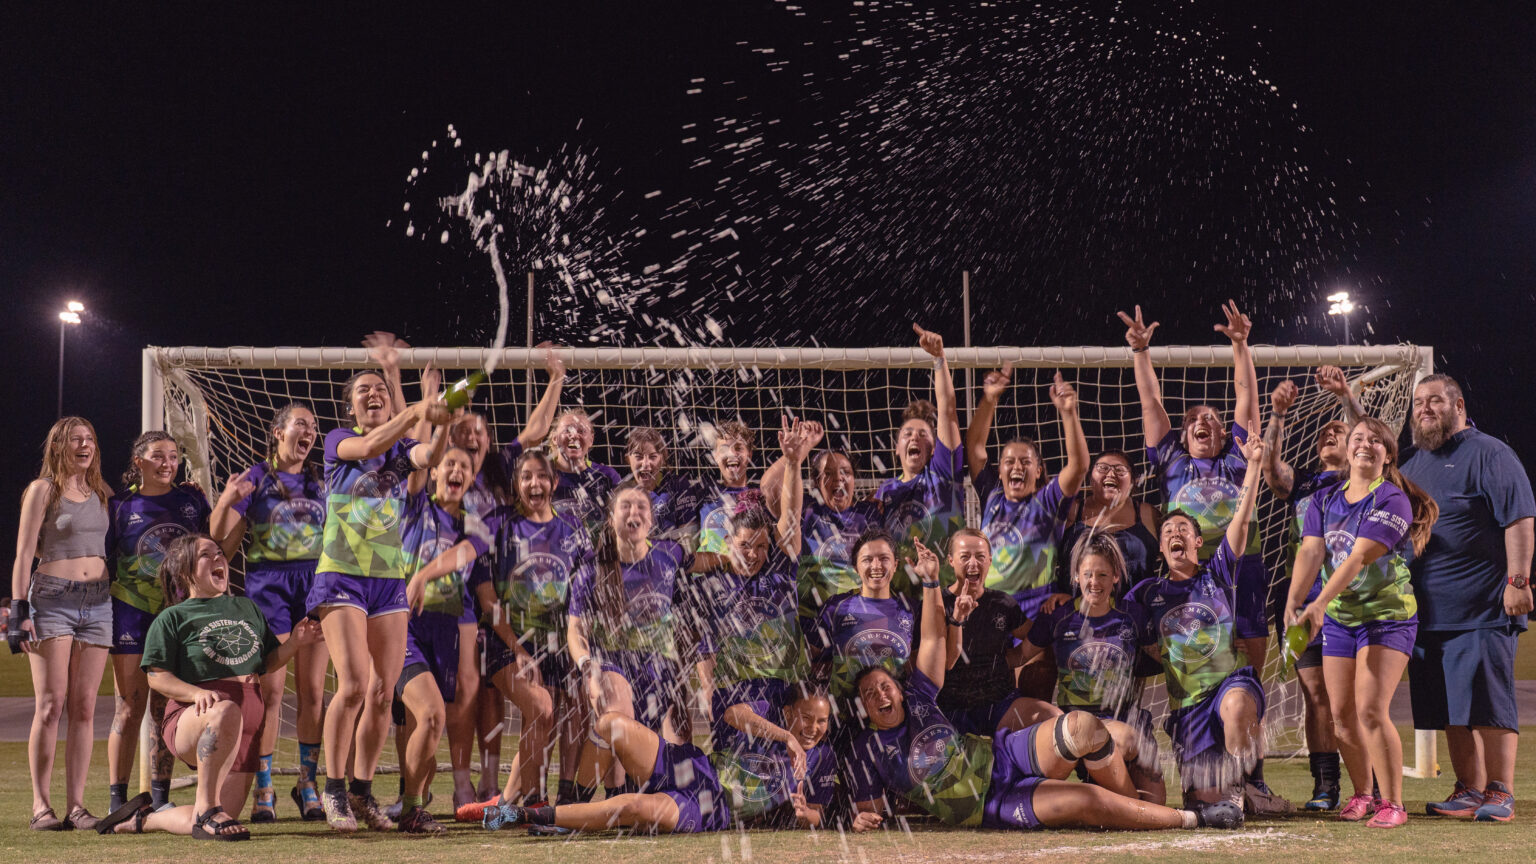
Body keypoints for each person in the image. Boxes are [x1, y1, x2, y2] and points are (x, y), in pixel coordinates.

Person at [845, 538, 1244, 833]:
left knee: (1084, 726)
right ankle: (1194, 817)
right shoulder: (867, 748)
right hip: (992, 805)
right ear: (862, 708)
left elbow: (934, 642)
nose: (880, 694)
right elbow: (870, 811)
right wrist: (862, 818)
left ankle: (1132, 809)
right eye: (868, 694)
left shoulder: (918, 695)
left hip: (1002, 756)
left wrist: (931, 582)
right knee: (1087, 803)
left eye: (884, 686)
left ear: (899, 688)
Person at [1119, 302, 1288, 814]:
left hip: (1244, 572)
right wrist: (1141, 353)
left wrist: (1241, 346)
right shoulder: (1171, 462)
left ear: (1222, 435)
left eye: (1211, 421)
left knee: (1245, 680)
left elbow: (1244, 397)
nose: (1202, 424)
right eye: (1194, 420)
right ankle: (1211, 765)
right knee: (1203, 663)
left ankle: (1251, 780)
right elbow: (1151, 403)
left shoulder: (1240, 459)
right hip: (1190, 582)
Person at [308, 349, 454, 832]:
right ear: (350, 406)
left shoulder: (398, 450)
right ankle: (332, 792)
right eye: (364, 390)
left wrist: (441, 414)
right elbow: (369, 447)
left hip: (386, 580)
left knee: (380, 691)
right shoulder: (339, 441)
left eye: (382, 389)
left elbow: (427, 456)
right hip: (342, 574)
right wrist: (416, 409)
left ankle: (362, 792)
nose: (374, 394)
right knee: (350, 686)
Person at [97, 534, 322, 840]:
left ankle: (143, 819)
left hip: (245, 728)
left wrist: (295, 643)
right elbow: (157, 677)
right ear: (186, 571)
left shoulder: (247, 608)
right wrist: (196, 693)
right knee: (224, 714)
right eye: (207, 555)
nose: (219, 559)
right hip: (197, 719)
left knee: (218, 813)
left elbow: (266, 662)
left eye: (220, 553)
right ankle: (205, 809)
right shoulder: (172, 618)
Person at [1288, 418, 1438, 828]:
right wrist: (1293, 603)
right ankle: (1363, 794)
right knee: (1342, 715)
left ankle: (1394, 804)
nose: (1364, 445)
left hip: (1387, 617)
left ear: (1387, 455)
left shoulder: (1393, 500)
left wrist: (1317, 603)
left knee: (1371, 708)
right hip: (1342, 617)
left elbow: (1357, 558)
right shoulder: (1324, 498)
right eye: (1358, 438)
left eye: (1376, 441)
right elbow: (1310, 553)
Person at [1401, 374, 1534, 823]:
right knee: (1448, 707)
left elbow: (1518, 518)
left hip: (1481, 607)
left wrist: (1518, 581)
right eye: (1419, 402)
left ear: (1458, 404)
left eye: (1434, 401)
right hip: (1428, 613)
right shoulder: (1414, 463)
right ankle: (1469, 789)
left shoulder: (1489, 452)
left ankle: (1500, 791)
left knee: (1487, 702)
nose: (1424, 408)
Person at [1129, 434, 1276, 814]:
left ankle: (1245, 785)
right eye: (1167, 532)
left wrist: (1255, 465)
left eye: (1183, 531)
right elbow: (1122, 631)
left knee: (1238, 704)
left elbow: (1242, 518)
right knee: (1205, 809)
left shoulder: (1219, 572)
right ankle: (1230, 793)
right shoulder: (1146, 594)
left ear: (1198, 542)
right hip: (1188, 704)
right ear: (1161, 548)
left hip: (1228, 684)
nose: (1175, 534)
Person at [448, 449, 593, 819]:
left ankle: (516, 802)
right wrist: (517, 647)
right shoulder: (498, 526)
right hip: (505, 641)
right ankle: (533, 803)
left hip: (558, 642)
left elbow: (587, 590)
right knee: (541, 707)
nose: (535, 483)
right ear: (516, 484)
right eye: (526, 476)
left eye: (542, 476)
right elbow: (486, 596)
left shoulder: (574, 530)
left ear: (555, 482)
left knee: (562, 714)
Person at [448, 343, 565, 804]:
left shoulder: (500, 466)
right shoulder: (447, 469)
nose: (474, 437)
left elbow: (536, 429)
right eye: (464, 430)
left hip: (496, 587)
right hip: (458, 591)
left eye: (480, 431)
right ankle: (465, 783)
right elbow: (429, 419)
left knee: (497, 695)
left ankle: (497, 784)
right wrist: (471, 378)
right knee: (468, 694)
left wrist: (555, 378)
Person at [481, 689, 837, 834]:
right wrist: (785, 736)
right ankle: (570, 808)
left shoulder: (824, 756)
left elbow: (820, 812)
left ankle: (529, 815)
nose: (814, 728)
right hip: (693, 766)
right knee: (610, 724)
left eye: (822, 722)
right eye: (806, 718)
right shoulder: (770, 715)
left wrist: (807, 815)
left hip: (710, 808)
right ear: (789, 712)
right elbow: (732, 713)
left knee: (635, 807)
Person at [207, 402, 329, 821]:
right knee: (271, 694)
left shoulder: (321, 481)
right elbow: (217, 537)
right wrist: (226, 500)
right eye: (300, 424)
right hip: (269, 592)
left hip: (314, 590)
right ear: (278, 432)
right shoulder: (255, 478)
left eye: (313, 427)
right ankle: (264, 787)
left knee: (314, 692)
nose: (309, 432)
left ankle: (307, 783)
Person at [681, 418, 813, 773]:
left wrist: (795, 462)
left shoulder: (780, 571)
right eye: (744, 546)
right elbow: (705, 646)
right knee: (739, 780)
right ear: (727, 544)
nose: (752, 554)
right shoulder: (715, 584)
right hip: (738, 696)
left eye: (759, 546)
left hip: (778, 689)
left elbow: (791, 516)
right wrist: (708, 691)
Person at [1264, 367, 1365, 811]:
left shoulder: (1364, 485)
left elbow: (1371, 436)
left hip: (1355, 606)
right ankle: (1326, 786)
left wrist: (1346, 396)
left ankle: (1371, 784)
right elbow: (1270, 470)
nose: (1330, 434)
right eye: (1325, 432)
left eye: (1339, 431)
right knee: (1316, 697)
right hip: (1303, 608)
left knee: (1356, 699)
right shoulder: (1305, 483)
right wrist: (1278, 417)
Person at [8, 417, 113, 830]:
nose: (84, 445)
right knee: (51, 705)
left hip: (99, 602)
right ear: (58, 446)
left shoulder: (101, 492)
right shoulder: (43, 490)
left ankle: (77, 807)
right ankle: (40, 807)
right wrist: (19, 610)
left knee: (84, 708)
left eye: (90, 438)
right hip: (52, 599)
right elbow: (22, 552)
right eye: (75, 439)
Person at [568, 485, 704, 796]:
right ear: (610, 517)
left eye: (641, 506)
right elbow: (575, 629)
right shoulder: (592, 566)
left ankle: (620, 796)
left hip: (660, 673)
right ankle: (573, 800)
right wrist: (587, 666)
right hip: (613, 663)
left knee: (670, 774)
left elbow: (704, 561)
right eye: (625, 506)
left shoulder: (671, 554)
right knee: (617, 714)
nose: (634, 512)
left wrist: (732, 560)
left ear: (652, 519)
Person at [104, 431, 213, 815]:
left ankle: (162, 798)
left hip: (177, 617)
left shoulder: (192, 501)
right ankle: (119, 800)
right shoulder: (118, 507)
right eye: (158, 456)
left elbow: (211, 552)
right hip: (131, 611)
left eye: (173, 456)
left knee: (164, 708)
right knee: (129, 707)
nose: (168, 463)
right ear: (139, 462)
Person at [1022, 532, 1165, 804]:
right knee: (1122, 741)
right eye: (1087, 574)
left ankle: (1101, 789)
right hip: (1073, 726)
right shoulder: (1058, 616)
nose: (1094, 582)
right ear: (1076, 576)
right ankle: (1127, 806)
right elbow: (1019, 656)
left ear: (1115, 577)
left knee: (1155, 798)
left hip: (1121, 719)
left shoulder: (1132, 616)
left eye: (1102, 575)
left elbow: (1165, 657)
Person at [386, 445, 485, 834]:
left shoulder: (478, 523)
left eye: (465, 466)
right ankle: (410, 804)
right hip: (403, 623)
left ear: (472, 479)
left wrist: (422, 576)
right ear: (435, 473)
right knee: (427, 714)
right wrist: (433, 409)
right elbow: (418, 460)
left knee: (424, 723)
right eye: (449, 464)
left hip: (446, 628)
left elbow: (464, 552)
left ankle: (416, 799)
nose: (457, 470)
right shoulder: (414, 505)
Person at [965, 366, 1089, 620]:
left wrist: (1068, 413)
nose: (1017, 466)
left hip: (1035, 611)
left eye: (1025, 462)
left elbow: (1078, 467)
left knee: (1032, 662)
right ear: (999, 471)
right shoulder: (992, 495)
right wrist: (989, 399)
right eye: (1009, 462)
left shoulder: (1047, 501)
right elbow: (974, 447)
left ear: (1039, 470)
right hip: (991, 606)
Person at [759, 422, 883, 631]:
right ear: (816, 482)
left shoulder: (869, 513)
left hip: (857, 619)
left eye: (846, 472)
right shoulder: (806, 511)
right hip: (811, 621)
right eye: (829, 473)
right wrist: (798, 454)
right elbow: (769, 490)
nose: (839, 478)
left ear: (854, 479)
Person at [937, 528, 1058, 736]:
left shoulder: (1002, 603)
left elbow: (1035, 638)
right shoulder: (937, 604)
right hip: (950, 709)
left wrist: (1058, 606)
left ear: (990, 561)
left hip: (999, 704)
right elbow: (937, 664)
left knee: (1055, 720)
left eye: (980, 556)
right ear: (951, 560)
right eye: (965, 556)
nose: (973, 563)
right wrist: (956, 619)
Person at [876, 324, 964, 591]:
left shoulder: (942, 475)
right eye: (908, 434)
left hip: (943, 592)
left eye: (923, 434)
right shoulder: (884, 492)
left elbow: (948, 412)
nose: (914, 438)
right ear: (896, 446)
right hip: (898, 600)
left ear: (935, 446)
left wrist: (939, 359)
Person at [807, 528, 916, 707]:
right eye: (867, 560)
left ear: (895, 565)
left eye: (884, 558)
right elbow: (815, 660)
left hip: (893, 712)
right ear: (856, 568)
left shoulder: (910, 609)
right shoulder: (836, 607)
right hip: (845, 716)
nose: (876, 566)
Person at [1059, 450, 1159, 596]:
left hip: (1138, 613)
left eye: (1120, 470)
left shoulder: (1148, 514)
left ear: (1132, 481)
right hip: (1078, 612)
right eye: (1102, 468)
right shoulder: (1071, 511)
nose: (1111, 474)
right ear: (1090, 477)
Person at [624, 426, 706, 543]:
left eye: (653, 457)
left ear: (662, 459)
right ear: (628, 459)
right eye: (639, 457)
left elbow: (690, 541)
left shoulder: (677, 485)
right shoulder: (623, 494)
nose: (646, 464)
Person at [547, 408, 624, 531]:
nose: (574, 435)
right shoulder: (543, 476)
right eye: (568, 430)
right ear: (555, 438)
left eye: (581, 431)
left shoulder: (607, 476)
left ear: (591, 440)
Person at [698, 420, 757, 554]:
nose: (731, 454)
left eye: (738, 448)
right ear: (715, 456)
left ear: (749, 455)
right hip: (711, 573)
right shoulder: (702, 495)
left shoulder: (760, 496)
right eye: (724, 449)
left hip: (746, 571)